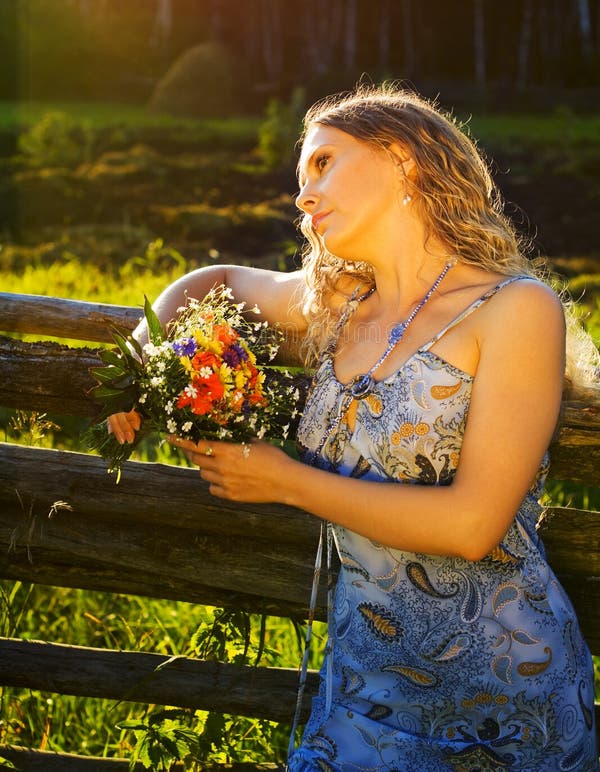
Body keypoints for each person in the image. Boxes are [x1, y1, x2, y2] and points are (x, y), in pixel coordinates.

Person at [107, 85, 599, 770]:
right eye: (300, 178)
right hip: (363, 687)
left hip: (502, 695)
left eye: (324, 164)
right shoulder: (337, 303)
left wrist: (284, 481)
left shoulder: (514, 308)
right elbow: (213, 278)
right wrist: (139, 364)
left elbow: (473, 524)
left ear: (404, 161)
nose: (304, 196)